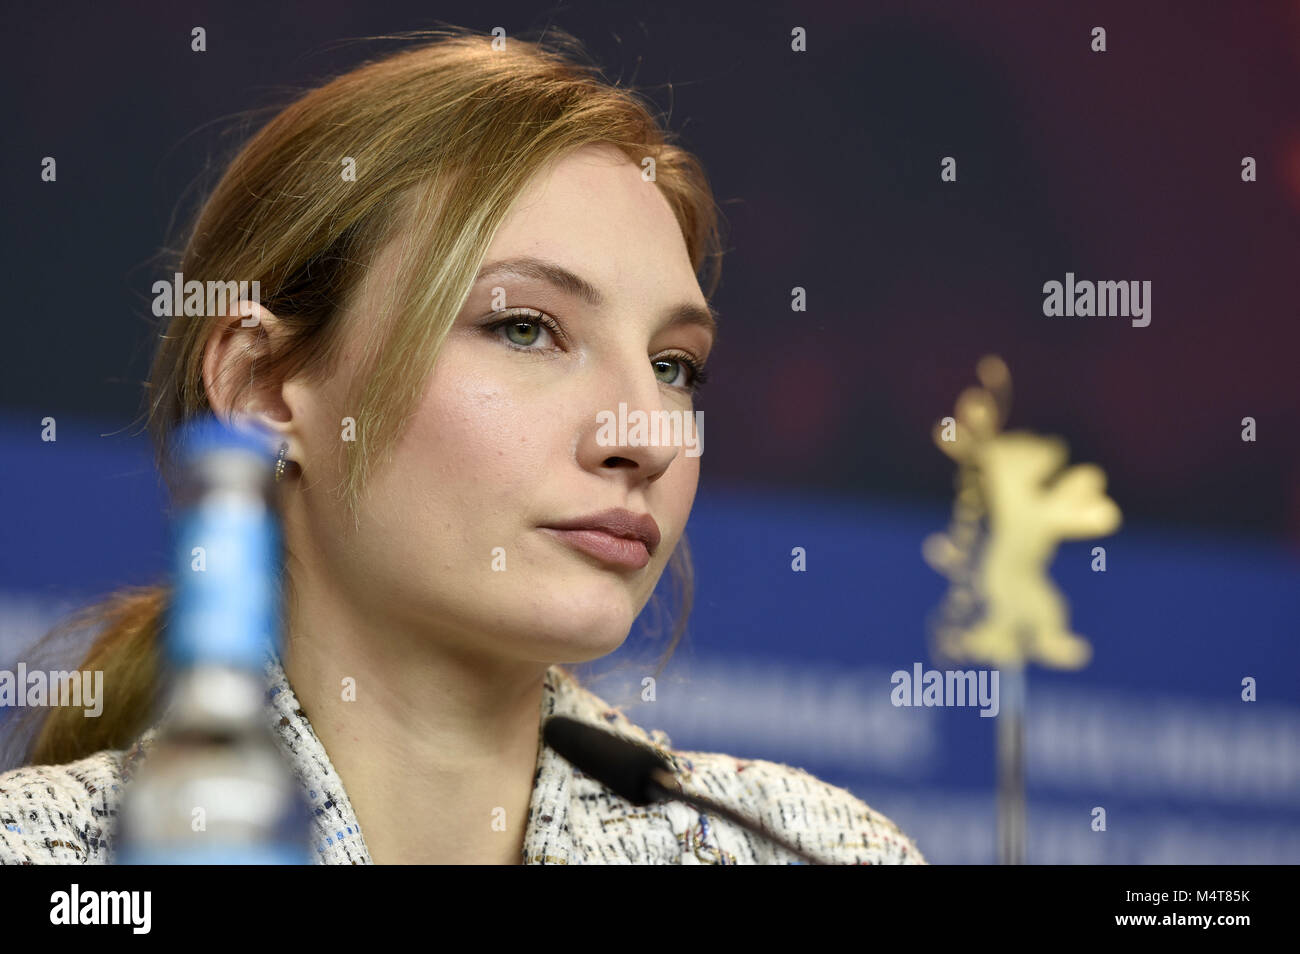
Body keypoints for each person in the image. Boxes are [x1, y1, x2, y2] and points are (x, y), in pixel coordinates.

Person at [0, 27, 926, 865]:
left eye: (676, 366)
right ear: (264, 388)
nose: (643, 434)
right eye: (527, 328)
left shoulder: (812, 853)